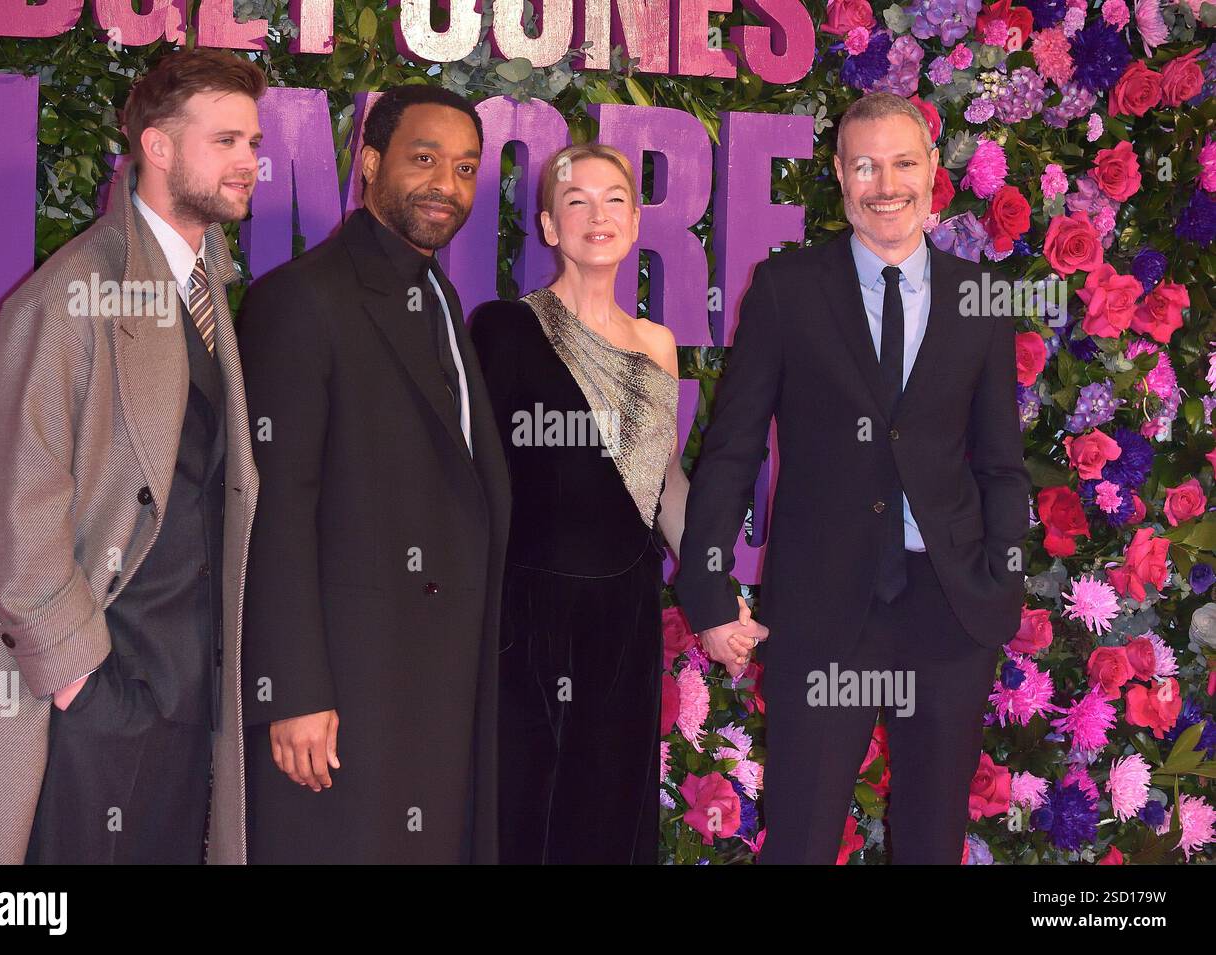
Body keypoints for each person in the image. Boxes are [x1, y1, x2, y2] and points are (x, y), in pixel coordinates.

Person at [0, 49, 265, 864]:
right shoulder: (72, 288)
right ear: (157, 147)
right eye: (226, 140)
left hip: (182, 699)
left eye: (252, 142)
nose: (250, 162)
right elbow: (13, 500)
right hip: (90, 701)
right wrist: (84, 683)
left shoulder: (205, 284)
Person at [675, 92, 1030, 864]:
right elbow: (733, 449)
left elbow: (1002, 464)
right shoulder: (786, 289)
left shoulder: (982, 298)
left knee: (932, 840)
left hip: (950, 609)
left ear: (934, 171)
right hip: (823, 607)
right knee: (799, 836)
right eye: (865, 165)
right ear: (839, 174)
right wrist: (705, 585)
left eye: (903, 162)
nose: (885, 183)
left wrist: (1003, 578)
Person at [237, 85, 511, 863]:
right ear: (368, 162)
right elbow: (276, 506)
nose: (446, 186)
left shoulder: (442, 297)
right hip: (349, 686)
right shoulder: (301, 299)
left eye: (464, 169)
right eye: (423, 159)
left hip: (439, 678)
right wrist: (293, 690)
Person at [469, 144, 765, 864]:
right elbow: (473, 482)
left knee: (608, 815)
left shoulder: (657, 345)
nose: (595, 215)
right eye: (575, 201)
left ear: (634, 220)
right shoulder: (502, 329)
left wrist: (717, 596)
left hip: (623, 616)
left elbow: (660, 482)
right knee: (520, 816)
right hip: (527, 614)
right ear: (547, 225)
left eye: (612, 200)